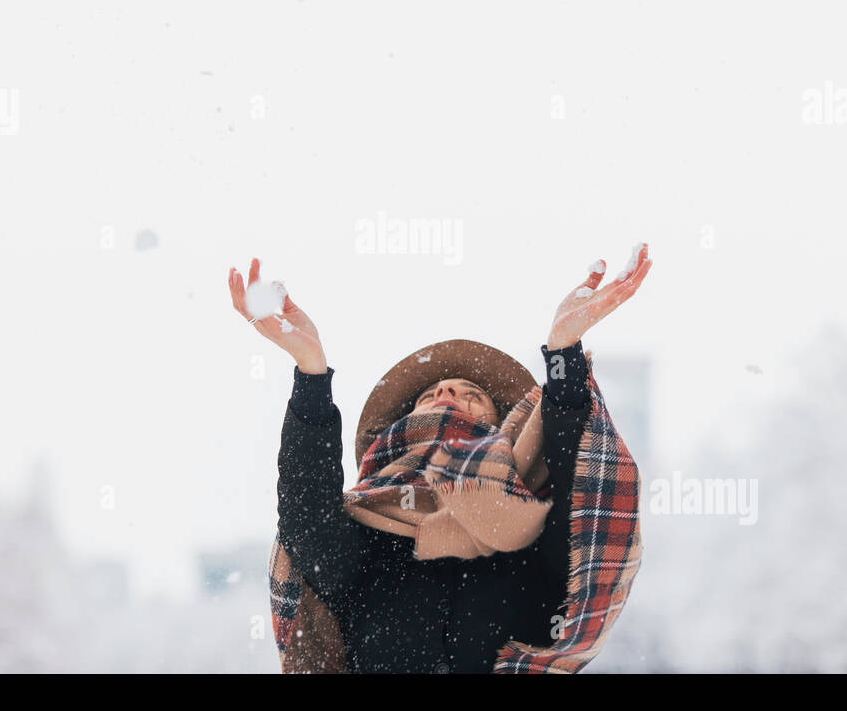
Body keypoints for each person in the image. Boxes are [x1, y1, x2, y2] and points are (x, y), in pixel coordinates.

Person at [227, 247, 652, 673]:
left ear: (507, 430)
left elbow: (584, 486)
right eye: (430, 396)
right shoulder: (365, 542)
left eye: (472, 396)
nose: (448, 396)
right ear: (403, 424)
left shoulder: (534, 531)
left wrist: (563, 355)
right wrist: (311, 372)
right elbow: (306, 516)